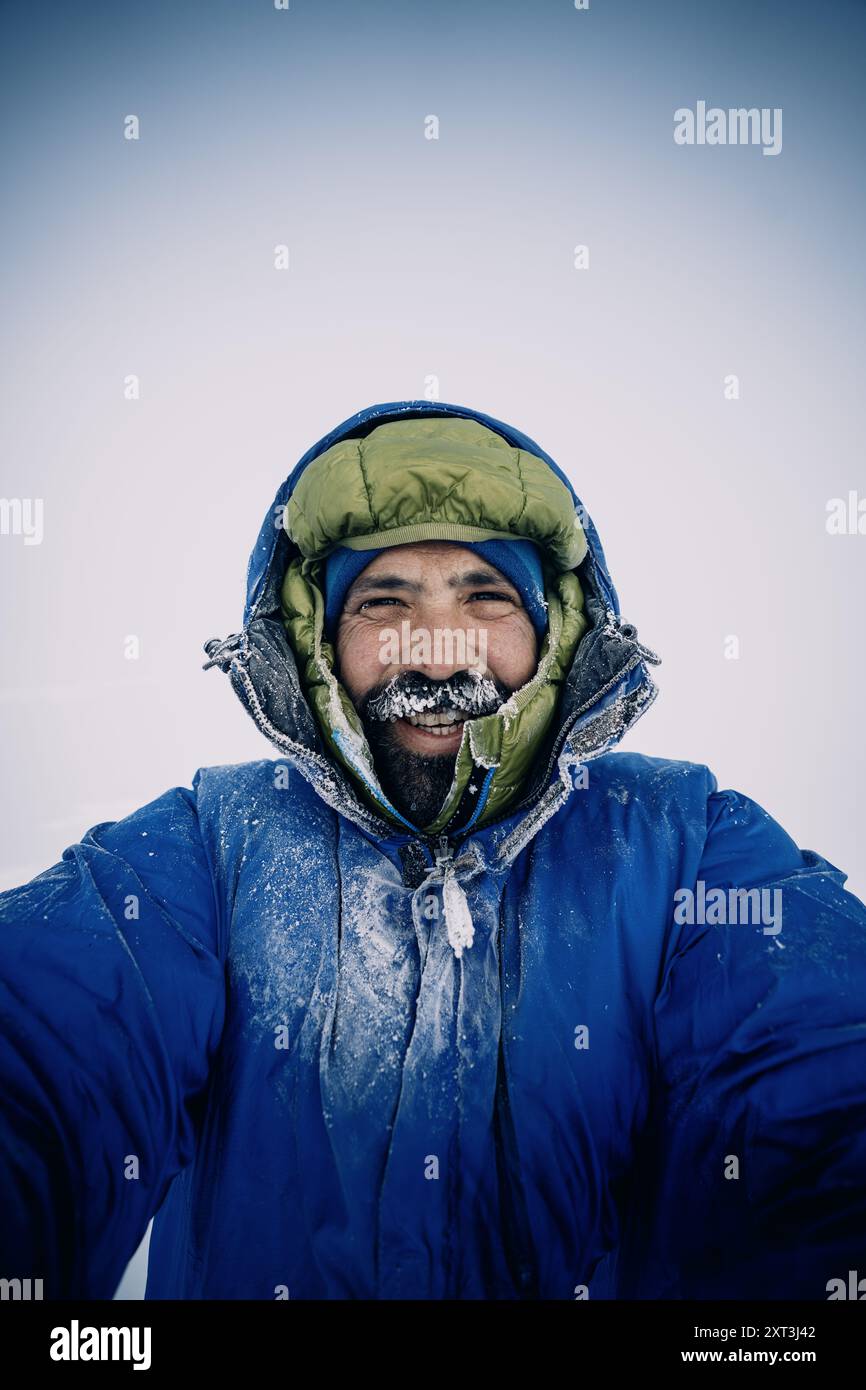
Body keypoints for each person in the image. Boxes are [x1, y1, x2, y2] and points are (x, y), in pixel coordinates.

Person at [1, 399, 864, 1301]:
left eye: (486, 596)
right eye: (385, 602)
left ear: (556, 634)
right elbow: (46, 1044)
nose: (439, 654)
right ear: (321, 644)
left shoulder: (687, 845)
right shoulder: (210, 847)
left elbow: (820, 1091)